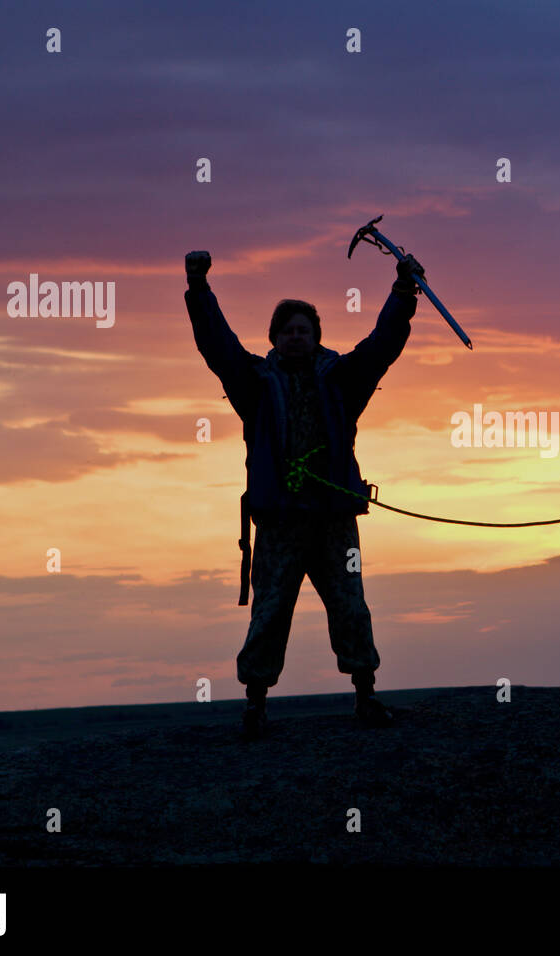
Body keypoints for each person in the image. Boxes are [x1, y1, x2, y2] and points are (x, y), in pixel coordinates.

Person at [184, 248, 423, 737]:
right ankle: (256, 705)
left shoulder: (343, 381)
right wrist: (199, 287)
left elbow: (382, 346)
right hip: (280, 522)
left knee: (351, 606)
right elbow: (217, 345)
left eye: (304, 330)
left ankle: (366, 696)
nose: (296, 336)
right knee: (269, 612)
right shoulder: (253, 383)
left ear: (316, 337)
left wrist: (404, 291)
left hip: (335, 520)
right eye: (288, 330)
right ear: (274, 338)